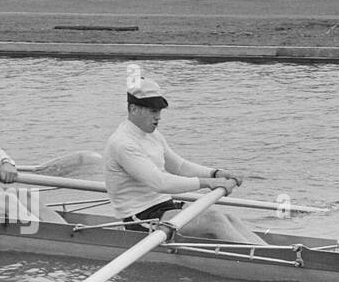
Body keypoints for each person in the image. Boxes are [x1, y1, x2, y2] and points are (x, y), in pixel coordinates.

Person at [104, 78, 268, 244]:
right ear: (133, 109)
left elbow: (179, 166)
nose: (158, 117)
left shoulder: (151, 135)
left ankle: (277, 255)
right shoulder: (123, 143)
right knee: (214, 219)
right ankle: (269, 265)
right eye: (153, 111)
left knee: (229, 218)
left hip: (165, 208)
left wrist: (215, 174)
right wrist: (207, 183)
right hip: (139, 219)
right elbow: (160, 183)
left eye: (160, 111)